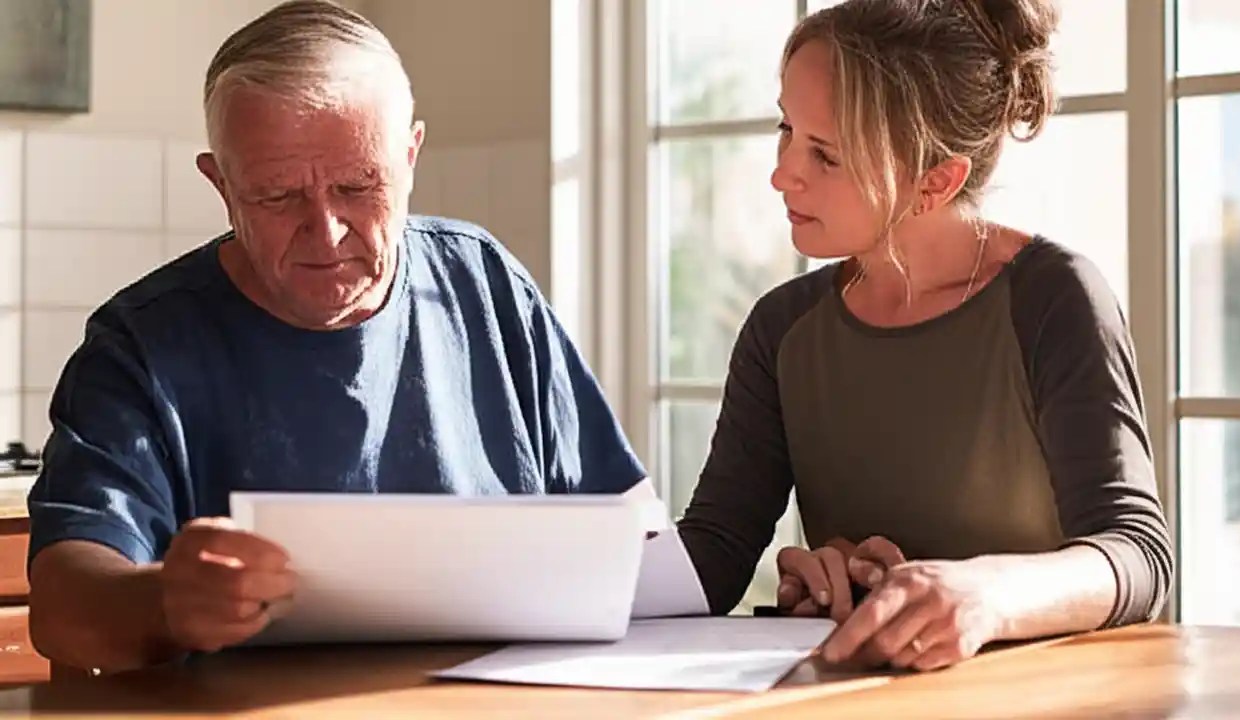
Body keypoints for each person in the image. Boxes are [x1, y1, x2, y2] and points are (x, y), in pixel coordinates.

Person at [27, 0, 650, 672]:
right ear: (222, 184)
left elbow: (634, 539)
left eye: (359, 185)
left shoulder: (487, 286)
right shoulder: (141, 345)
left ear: (410, 157)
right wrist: (162, 603)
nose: (325, 230)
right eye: (275, 195)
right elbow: (64, 609)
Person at [677, 0, 1173, 672]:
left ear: (935, 182)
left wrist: (982, 595)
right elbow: (715, 550)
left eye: (824, 154)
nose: (781, 172)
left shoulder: (1052, 298)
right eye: (787, 129)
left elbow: (1138, 554)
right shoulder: (782, 329)